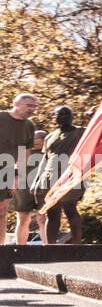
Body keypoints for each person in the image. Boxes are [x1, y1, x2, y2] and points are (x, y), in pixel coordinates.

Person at [36, 106, 85, 245]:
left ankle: (77, 246)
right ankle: (50, 247)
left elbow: (96, 135)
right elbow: (45, 159)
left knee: (70, 209)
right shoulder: (50, 136)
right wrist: (37, 180)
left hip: (71, 176)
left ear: (72, 116)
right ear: (55, 117)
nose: (63, 117)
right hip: (50, 178)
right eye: (60, 114)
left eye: (67, 114)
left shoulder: (81, 132)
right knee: (52, 213)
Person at [0, 93, 37, 245]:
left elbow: (25, 154)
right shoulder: (1, 118)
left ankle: (1, 249)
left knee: (2, 211)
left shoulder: (29, 126)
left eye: (34, 106)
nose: (32, 109)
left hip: (8, 171)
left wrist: (18, 176)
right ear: (15, 102)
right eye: (29, 105)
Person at [14, 128, 45, 244]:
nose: (35, 141)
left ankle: (47, 248)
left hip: (42, 188)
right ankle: (20, 250)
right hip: (23, 188)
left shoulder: (49, 152)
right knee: (23, 219)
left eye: (40, 139)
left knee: (42, 218)